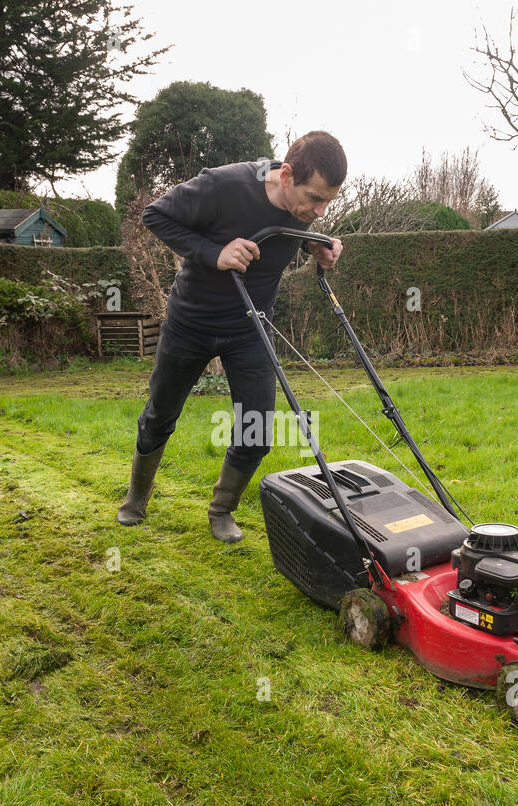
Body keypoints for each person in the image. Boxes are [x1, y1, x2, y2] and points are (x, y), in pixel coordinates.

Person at [117, 131, 347, 542]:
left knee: (256, 429)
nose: (321, 210)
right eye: (315, 198)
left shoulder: (302, 211)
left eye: (329, 200)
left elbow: (292, 239)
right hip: (191, 322)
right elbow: (154, 215)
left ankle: (222, 511)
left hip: (250, 327)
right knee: (160, 415)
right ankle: (136, 498)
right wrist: (214, 252)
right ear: (286, 174)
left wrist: (319, 246)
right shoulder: (224, 185)